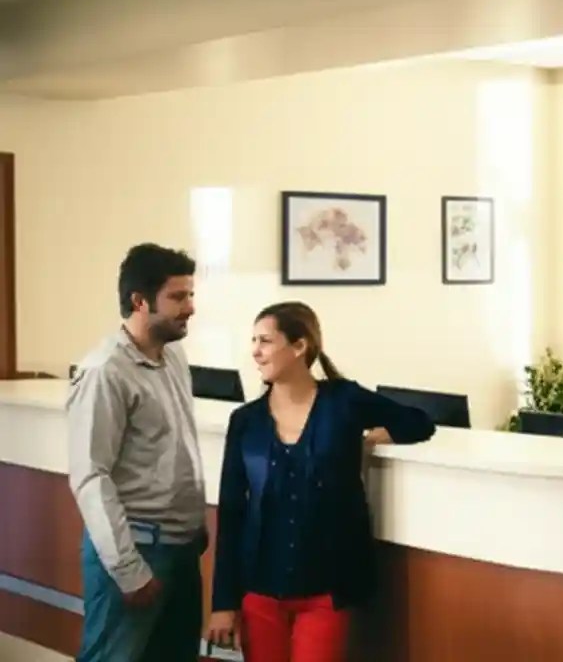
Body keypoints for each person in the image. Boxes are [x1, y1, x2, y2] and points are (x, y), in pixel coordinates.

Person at [206, 301, 436, 662]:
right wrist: (223, 603)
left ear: (299, 346)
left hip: (327, 590)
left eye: (265, 341)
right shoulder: (245, 421)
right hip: (259, 591)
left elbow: (419, 421)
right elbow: (232, 513)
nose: (255, 351)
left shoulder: (343, 401)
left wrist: (380, 434)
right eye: (253, 340)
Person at [67, 243, 205, 662]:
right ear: (139, 301)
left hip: (181, 550)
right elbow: (91, 477)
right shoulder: (105, 370)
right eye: (178, 297)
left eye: (191, 295)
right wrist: (127, 568)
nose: (191, 307)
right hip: (136, 551)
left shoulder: (174, 355)